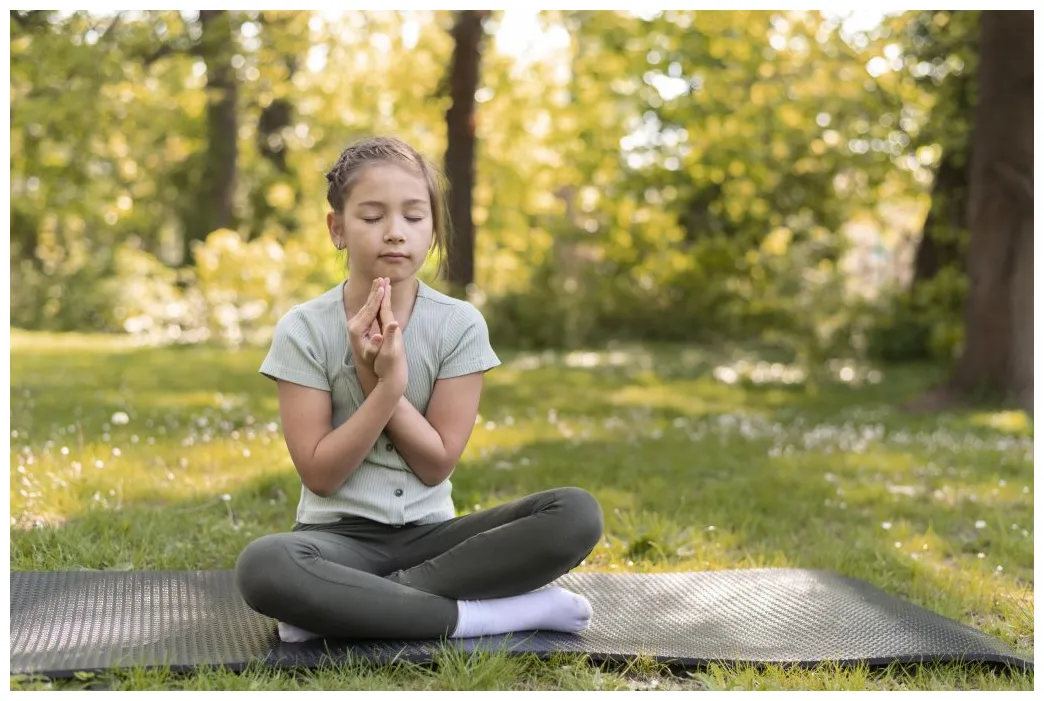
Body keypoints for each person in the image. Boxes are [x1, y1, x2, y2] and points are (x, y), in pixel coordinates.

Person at [234, 136, 604, 643]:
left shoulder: (460, 325)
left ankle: (354, 605)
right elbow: (321, 475)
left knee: (575, 513)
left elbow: (435, 464)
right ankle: (481, 617)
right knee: (265, 565)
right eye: (371, 217)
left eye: (413, 217)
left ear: (432, 229)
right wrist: (384, 390)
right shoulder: (302, 329)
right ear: (337, 228)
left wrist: (383, 379)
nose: (394, 233)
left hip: (435, 541)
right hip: (335, 541)